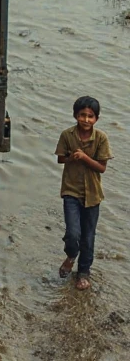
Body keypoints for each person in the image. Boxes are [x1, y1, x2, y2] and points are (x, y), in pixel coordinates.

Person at [55, 95, 113, 291]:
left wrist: (85, 158)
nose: (86, 120)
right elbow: (61, 159)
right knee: (73, 233)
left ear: (96, 118)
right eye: (82, 115)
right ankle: (71, 255)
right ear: (75, 115)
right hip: (71, 191)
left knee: (88, 237)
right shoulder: (67, 135)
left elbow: (102, 167)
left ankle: (83, 272)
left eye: (90, 116)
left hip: (93, 195)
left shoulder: (101, 138)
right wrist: (73, 157)